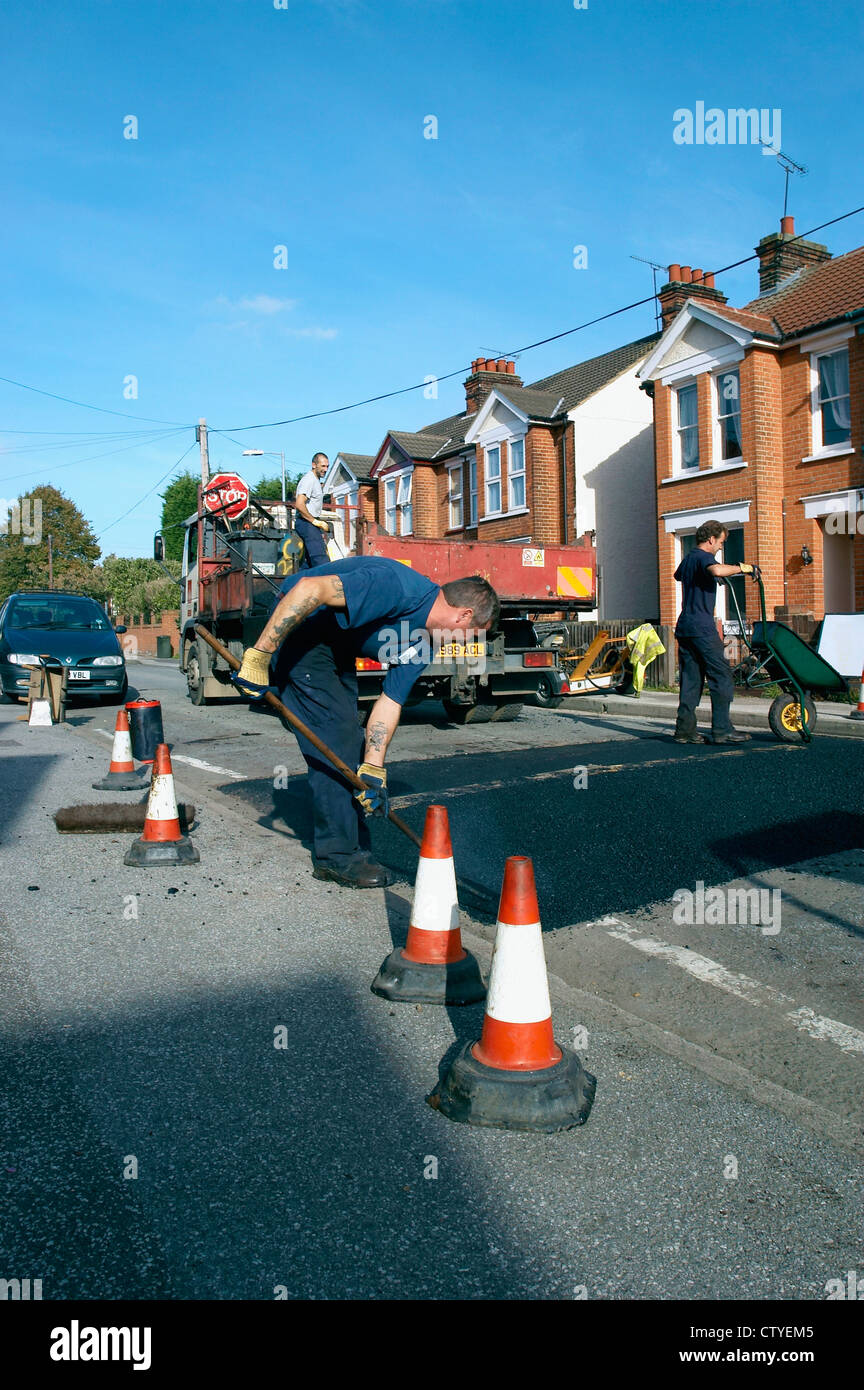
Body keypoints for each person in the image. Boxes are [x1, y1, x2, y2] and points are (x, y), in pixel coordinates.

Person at [232, 556, 500, 888]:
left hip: (336, 645)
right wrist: (260, 656)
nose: (465, 644)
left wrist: (373, 767)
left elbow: (390, 701)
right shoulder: (397, 587)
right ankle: (337, 857)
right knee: (334, 740)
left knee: (351, 746)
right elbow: (307, 589)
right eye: (471, 635)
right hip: (302, 627)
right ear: (464, 615)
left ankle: (353, 844)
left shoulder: (427, 642)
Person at [673, 520, 759, 745]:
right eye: (721, 542)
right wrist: (744, 568)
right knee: (721, 675)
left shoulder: (690, 557)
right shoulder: (704, 558)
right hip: (701, 627)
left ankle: (685, 731)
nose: (721, 546)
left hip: (685, 627)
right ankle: (722, 730)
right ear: (711, 539)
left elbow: (678, 575)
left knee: (691, 680)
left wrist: (705, 579)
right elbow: (717, 569)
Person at [292, 452, 331, 569]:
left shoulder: (315, 481)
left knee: (308, 563)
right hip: (306, 523)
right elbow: (299, 504)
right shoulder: (309, 480)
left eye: (327, 466)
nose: (326, 469)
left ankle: (298, 584)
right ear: (314, 465)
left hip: (308, 523)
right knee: (321, 560)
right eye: (323, 466)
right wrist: (315, 521)